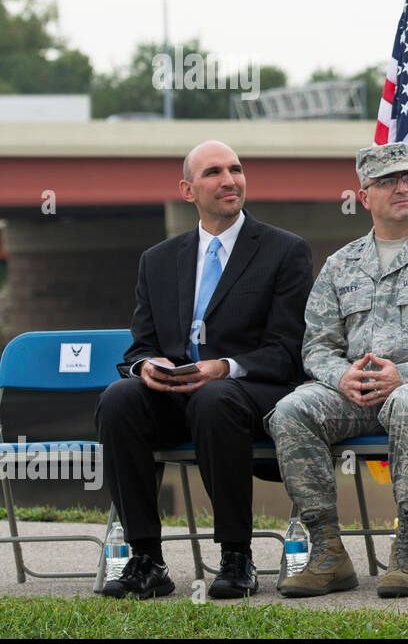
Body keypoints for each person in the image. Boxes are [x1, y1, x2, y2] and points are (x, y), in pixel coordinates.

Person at [266, 143, 408, 599]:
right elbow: (318, 345)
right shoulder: (341, 264)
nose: (402, 187)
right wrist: (340, 377)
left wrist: (406, 374)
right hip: (357, 393)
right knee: (292, 410)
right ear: (364, 195)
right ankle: (328, 551)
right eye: (388, 181)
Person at [95, 140, 313, 599]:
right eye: (213, 172)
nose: (229, 179)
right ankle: (146, 558)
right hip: (176, 393)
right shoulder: (157, 260)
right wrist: (146, 366)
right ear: (188, 190)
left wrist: (225, 367)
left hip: (251, 392)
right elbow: (141, 345)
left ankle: (237, 556)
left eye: (235, 169)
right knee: (118, 398)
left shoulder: (285, 251)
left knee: (215, 399)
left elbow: (289, 351)